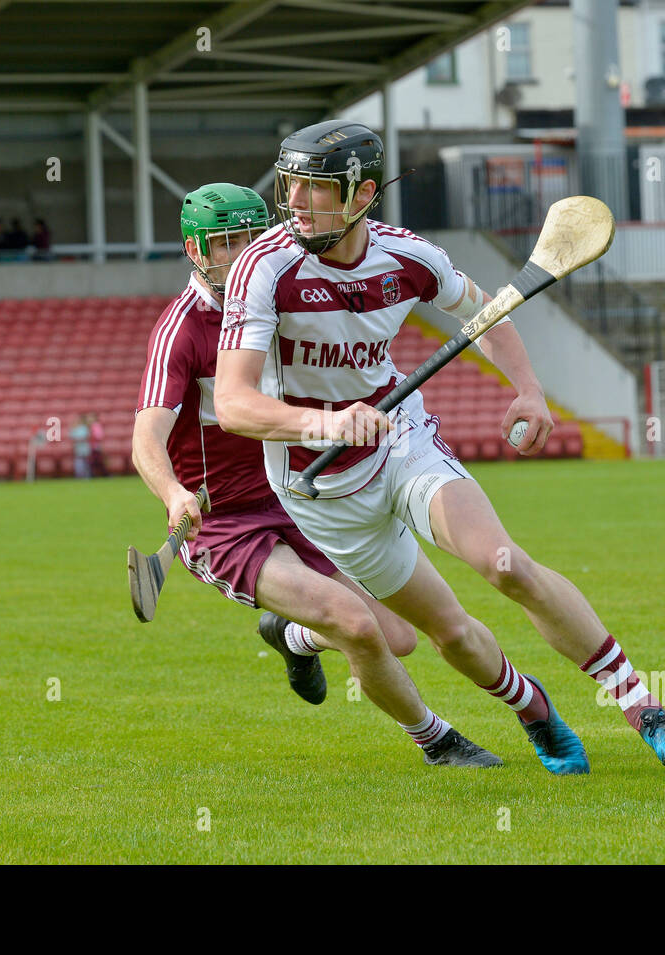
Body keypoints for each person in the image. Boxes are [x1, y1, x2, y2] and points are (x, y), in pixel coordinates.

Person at [215, 120, 665, 774]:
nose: (294, 202)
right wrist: (325, 426)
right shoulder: (264, 268)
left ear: (361, 196)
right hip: (319, 485)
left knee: (505, 564)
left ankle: (641, 704)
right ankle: (532, 706)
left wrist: (527, 389)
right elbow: (233, 404)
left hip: (400, 444)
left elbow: (489, 317)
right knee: (441, 635)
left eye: (314, 188)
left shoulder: (408, 258)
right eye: (290, 185)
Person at [133, 183, 497, 766]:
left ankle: (290, 634)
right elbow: (145, 436)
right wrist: (172, 492)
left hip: (304, 493)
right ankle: (437, 741)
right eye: (225, 244)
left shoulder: (283, 292)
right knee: (355, 624)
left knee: (399, 637)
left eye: (251, 238)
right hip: (227, 522)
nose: (241, 254)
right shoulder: (183, 330)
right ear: (194, 249)